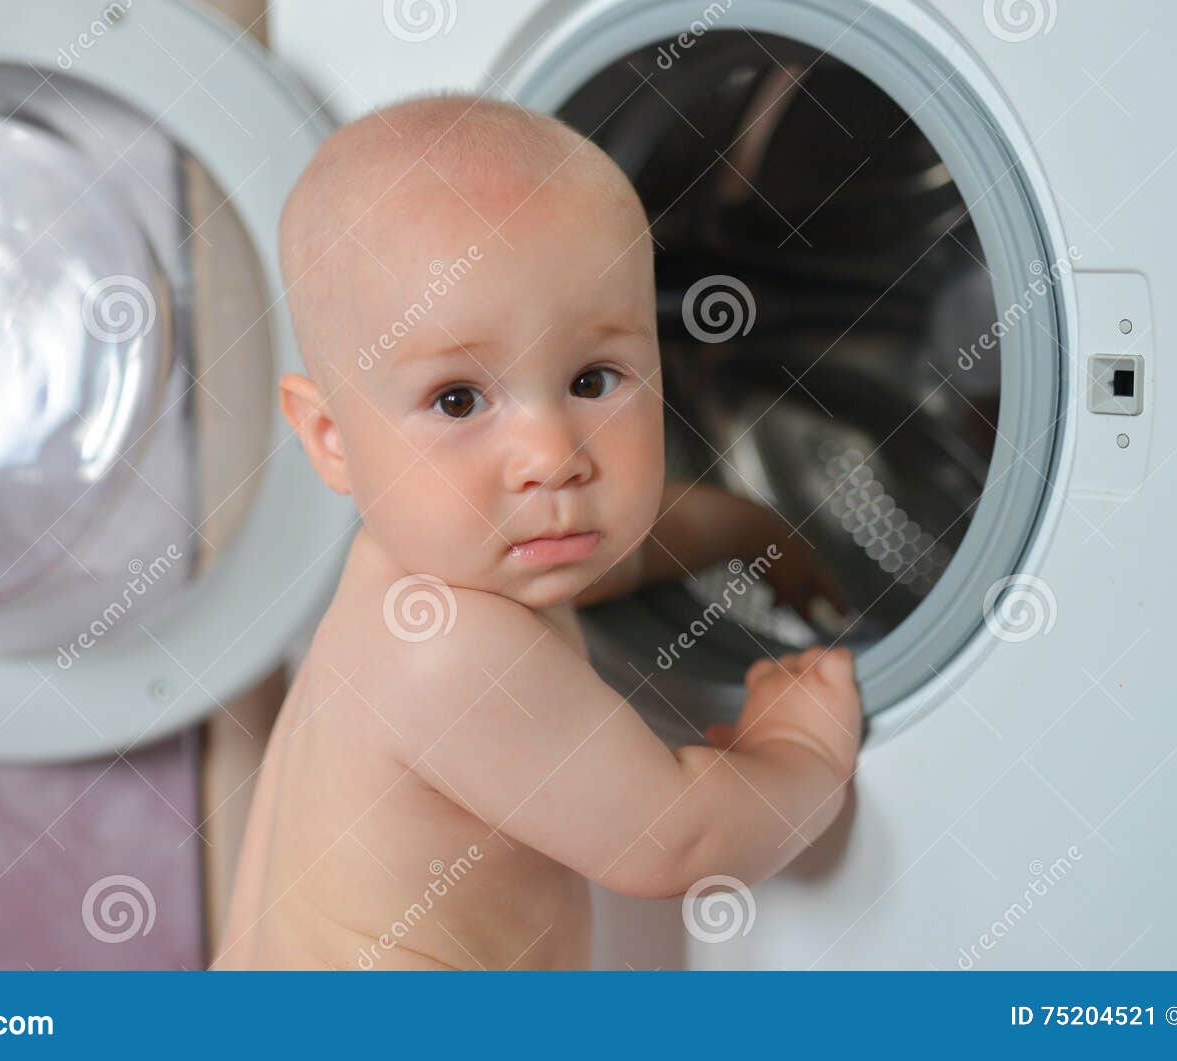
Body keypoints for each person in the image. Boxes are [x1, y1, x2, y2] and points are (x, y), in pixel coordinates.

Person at [214, 93, 862, 970]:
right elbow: (674, 843)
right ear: (330, 437)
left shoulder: (427, 572)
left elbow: (611, 557)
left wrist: (750, 529)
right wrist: (803, 749)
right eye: (459, 399)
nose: (552, 458)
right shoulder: (440, 652)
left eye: (594, 379)